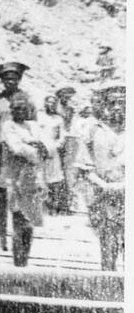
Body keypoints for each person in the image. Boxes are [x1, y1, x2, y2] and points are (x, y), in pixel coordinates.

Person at [0, 61, 33, 251]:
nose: (10, 82)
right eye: (6, 79)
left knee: (21, 197)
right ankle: (2, 235)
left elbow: (33, 126)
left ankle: (19, 238)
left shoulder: (26, 99)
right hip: (1, 153)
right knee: (2, 196)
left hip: (21, 153)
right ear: (2, 81)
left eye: (14, 78)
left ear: (19, 79)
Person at [0, 95, 49, 266]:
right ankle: (18, 261)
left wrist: (38, 146)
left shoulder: (33, 126)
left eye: (23, 108)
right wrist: (35, 145)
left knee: (30, 222)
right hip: (15, 177)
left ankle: (25, 260)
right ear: (11, 110)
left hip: (32, 178)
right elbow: (16, 148)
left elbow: (47, 148)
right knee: (19, 219)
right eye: (17, 108)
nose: (21, 111)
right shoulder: (8, 126)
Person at [78, 82, 125, 271]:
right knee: (108, 242)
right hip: (103, 195)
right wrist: (104, 186)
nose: (117, 107)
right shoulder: (94, 131)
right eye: (112, 102)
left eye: (122, 103)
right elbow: (85, 167)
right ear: (105, 105)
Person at [38, 94, 67, 214]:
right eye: (48, 102)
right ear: (45, 103)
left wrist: (57, 144)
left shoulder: (58, 119)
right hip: (39, 149)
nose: (51, 104)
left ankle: (53, 206)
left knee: (54, 178)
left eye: (53, 102)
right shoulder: (38, 116)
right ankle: (40, 206)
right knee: (39, 176)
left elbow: (62, 135)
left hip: (52, 150)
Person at [54, 85, 81, 213]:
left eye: (69, 96)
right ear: (60, 95)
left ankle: (66, 203)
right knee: (54, 171)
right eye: (65, 95)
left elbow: (69, 126)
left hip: (68, 140)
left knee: (67, 172)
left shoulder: (70, 109)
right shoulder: (54, 107)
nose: (67, 98)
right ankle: (53, 202)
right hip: (55, 140)